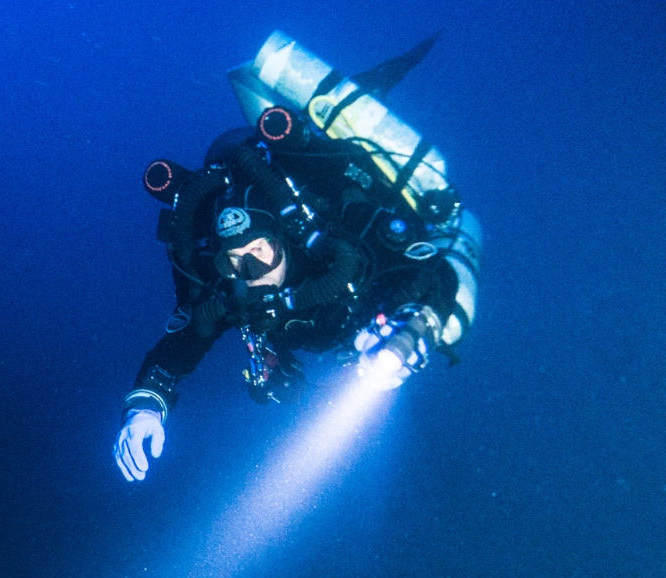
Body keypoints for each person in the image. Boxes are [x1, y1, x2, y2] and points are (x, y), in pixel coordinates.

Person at [112, 35, 481, 482]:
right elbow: (177, 348)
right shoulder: (232, 292)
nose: (249, 275)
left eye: (259, 255)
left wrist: (415, 323)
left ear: (283, 242)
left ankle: (365, 91)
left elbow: (428, 275)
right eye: (234, 262)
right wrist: (146, 409)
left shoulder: (338, 243)